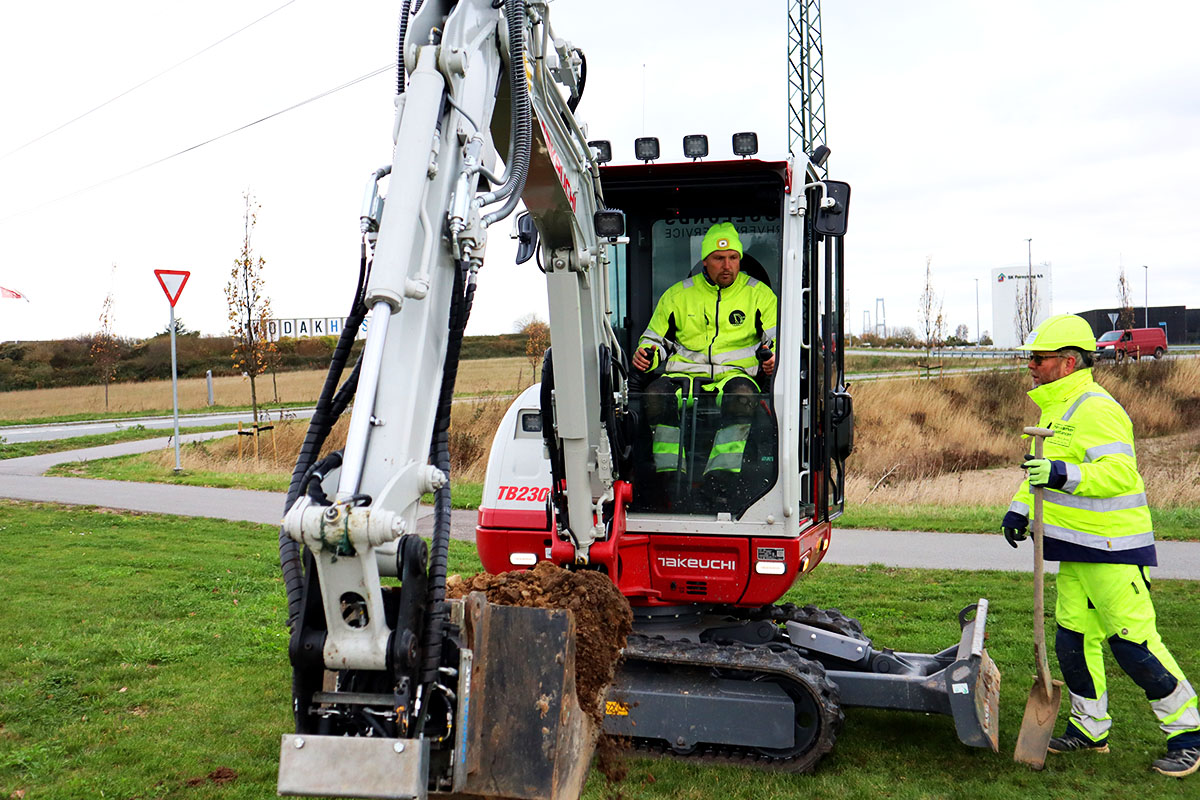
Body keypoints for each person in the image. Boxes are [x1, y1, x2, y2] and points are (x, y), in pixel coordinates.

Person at [1002, 313, 1199, 777]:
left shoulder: (1096, 407)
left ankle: (1189, 733)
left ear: (1068, 363)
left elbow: (1118, 475)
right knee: (1072, 642)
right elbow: (1041, 473)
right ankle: (1091, 729)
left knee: (1134, 645)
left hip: (1114, 550)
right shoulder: (1056, 409)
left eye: (1039, 358)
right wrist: (1021, 509)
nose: (1031, 365)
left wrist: (1062, 475)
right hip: (1074, 549)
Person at [632, 221, 777, 499]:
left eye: (733, 258)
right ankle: (670, 479)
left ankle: (719, 482)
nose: (727, 265)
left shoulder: (760, 295)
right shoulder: (678, 295)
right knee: (655, 395)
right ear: (705, 261)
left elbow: (775, 339)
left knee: (742, 395)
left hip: (734, 376)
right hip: (684, 376)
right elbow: (654, 339)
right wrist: (646, 354)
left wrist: (773, 358)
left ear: (739, 259)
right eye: (719, 258)